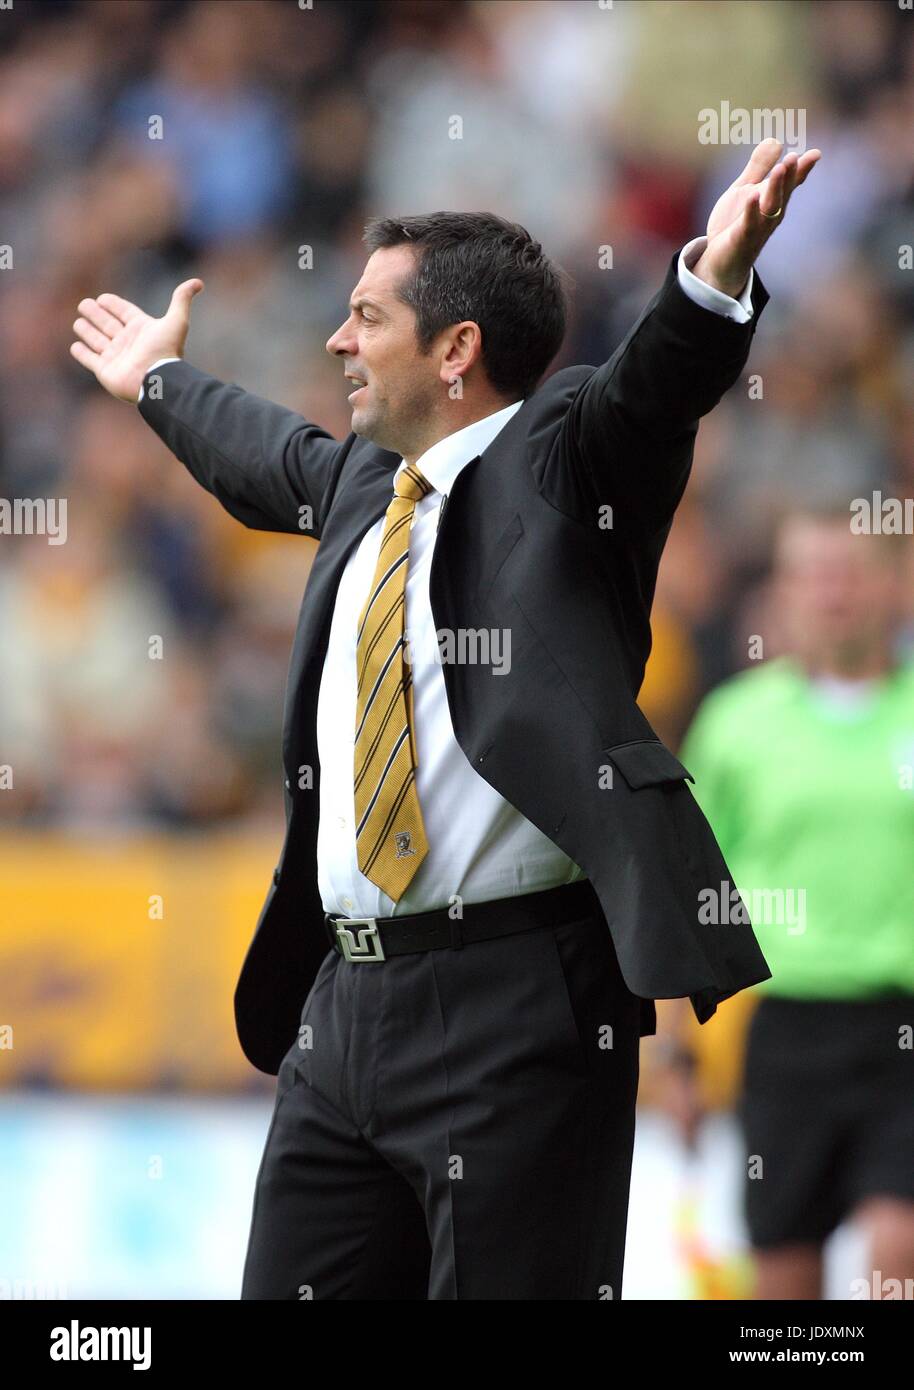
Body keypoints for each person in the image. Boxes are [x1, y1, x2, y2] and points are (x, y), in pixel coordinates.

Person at [71, 138, 819, 1300]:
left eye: (365, 317)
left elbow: (655, 381)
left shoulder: (566, 459)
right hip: (342, 1008)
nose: (336, 342)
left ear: (457, 349)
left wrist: (710, 281)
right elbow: (265, 454)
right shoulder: (364, 485)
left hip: (517, 1002)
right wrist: (161, 382)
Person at [679, 503, 914, 1299]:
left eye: (848, 574)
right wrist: (679, 1054)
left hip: (904, 1029)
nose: (829, 595)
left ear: (895, 583)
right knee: (783, 1279)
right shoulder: (738, 724)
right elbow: (692, 895)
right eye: (809, 575)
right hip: (786, 1034)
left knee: (899, 1248)